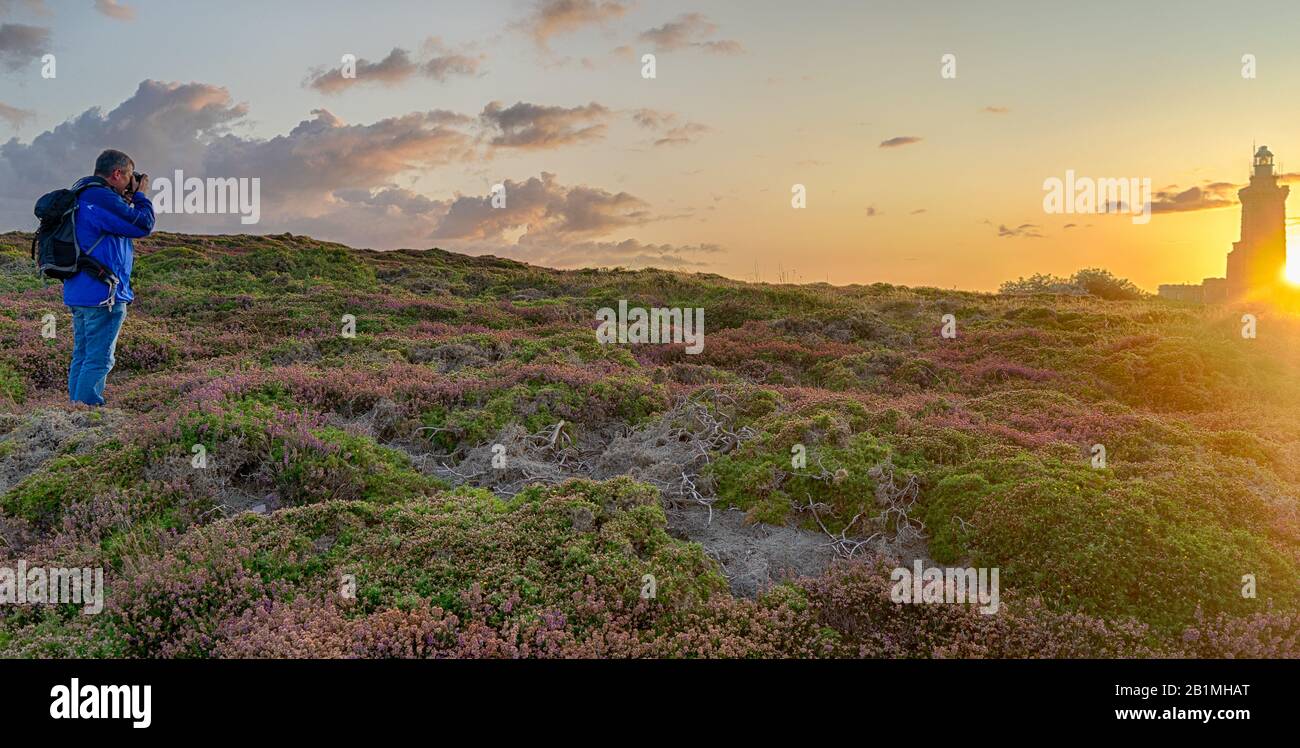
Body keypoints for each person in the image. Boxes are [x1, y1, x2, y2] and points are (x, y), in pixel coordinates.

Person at [65, 149, 154, 406]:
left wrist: (127, 198)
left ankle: (75, 411)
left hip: (80, 291)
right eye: (128, 176)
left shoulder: (81, 193)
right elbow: (142, 224)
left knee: (82, 355)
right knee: (99, 358)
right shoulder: (100, 197)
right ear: (117, 173)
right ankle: (86, 414)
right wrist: (140, 196)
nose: (130, 182)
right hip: (103, 295)